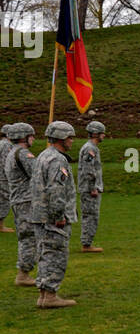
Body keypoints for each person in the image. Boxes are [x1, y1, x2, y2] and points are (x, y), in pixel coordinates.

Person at [30, 121, 78, 308]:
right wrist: (59, 215)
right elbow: (56, 189)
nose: (72, 141)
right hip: (53, 217)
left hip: (40, 215)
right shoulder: (58, 160)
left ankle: (44, 294)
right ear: (60, 138)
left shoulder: (43, 155)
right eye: (69, 137)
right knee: (56, 255)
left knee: (45, 254)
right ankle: (50, 295)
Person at [6, 123, 37, 286]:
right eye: (31, 135)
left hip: (19, 200)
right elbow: (38, 174)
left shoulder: (12, 153)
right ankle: (23, 274)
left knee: (25, 236)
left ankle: (24, 271)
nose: (33, 138)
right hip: (26, 200)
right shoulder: (23, 154)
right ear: (23, 137)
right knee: (29, 237)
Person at [78, 120, 106, 253]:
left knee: (91, 215)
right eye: (102, 133)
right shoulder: (90, 149)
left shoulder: (91, 148)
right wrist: (93, 187)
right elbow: (88, 169)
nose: (104, 135)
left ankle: (87, 242)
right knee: (91, 216)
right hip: (90, 189)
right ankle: (87, 244)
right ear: (95, 134)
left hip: (89, 187)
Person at [0, 124, 14, 232]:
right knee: (4, 200)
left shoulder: (1, 143)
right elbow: (6, 162)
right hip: (3, 178)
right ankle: (1, 226)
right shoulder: (7, 145)